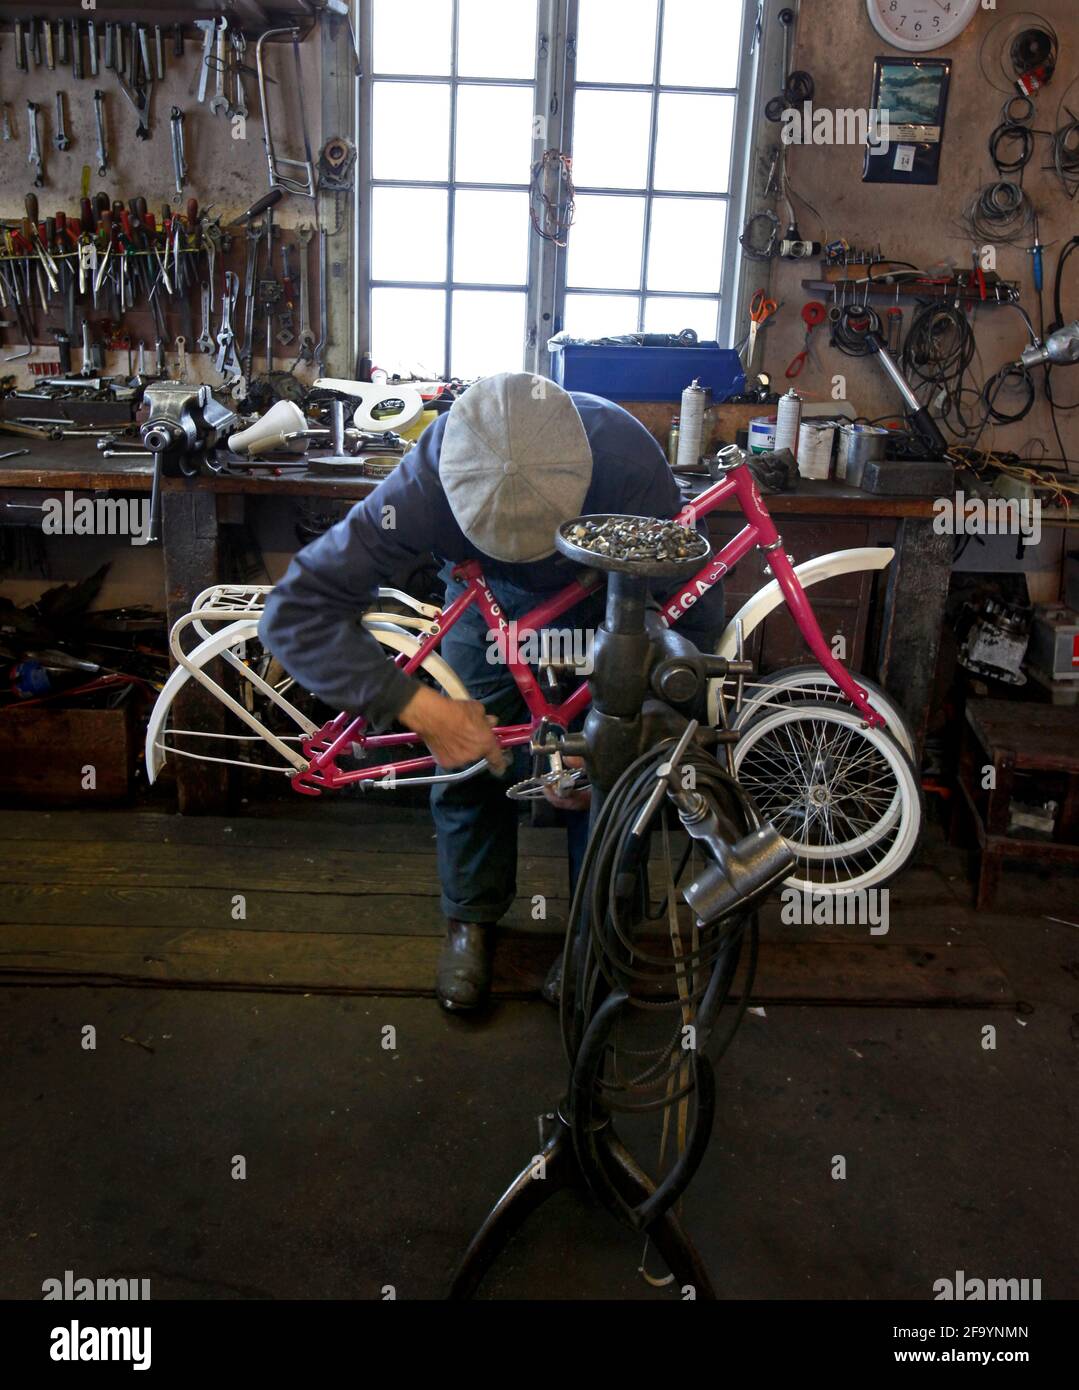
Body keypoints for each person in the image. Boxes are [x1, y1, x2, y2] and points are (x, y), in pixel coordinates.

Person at [259, 372, 724, 1012]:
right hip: (484, 605)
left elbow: (692, 610)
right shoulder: (425, 481)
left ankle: (598, 933)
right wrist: (419, 707)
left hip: (610, 607)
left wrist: (642, 722)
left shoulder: (627, 465)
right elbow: (294, 611)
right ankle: (471, 919)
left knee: (616, 773)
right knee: (470, 763)